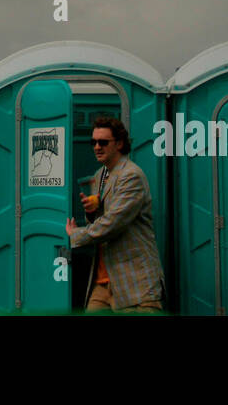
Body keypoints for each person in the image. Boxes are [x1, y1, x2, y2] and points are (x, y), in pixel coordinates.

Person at [65, 116, 165, 312]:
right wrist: (92, 213)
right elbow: (102, 220)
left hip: (134, 285)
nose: (96, 147)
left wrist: (76, 235)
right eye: (93, 142)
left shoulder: (131, 175)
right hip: (103, 282)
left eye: (103, 142)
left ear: (119, 143)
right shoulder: (99, 175)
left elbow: (113, 223)